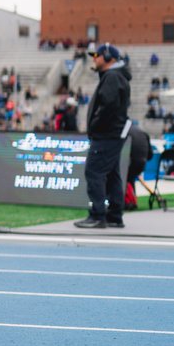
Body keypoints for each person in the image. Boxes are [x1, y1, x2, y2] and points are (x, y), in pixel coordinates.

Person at [74, 43, 131, 229]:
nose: (94, 58)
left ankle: (98, 215)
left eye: (97, 55)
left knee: (94, 171)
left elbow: (108, 106)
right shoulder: (114, 76)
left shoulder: (112, 77)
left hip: (107, 133)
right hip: (112, 133)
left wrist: (96, 126)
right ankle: (114, 215)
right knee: (112, 174)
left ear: (108, 58)